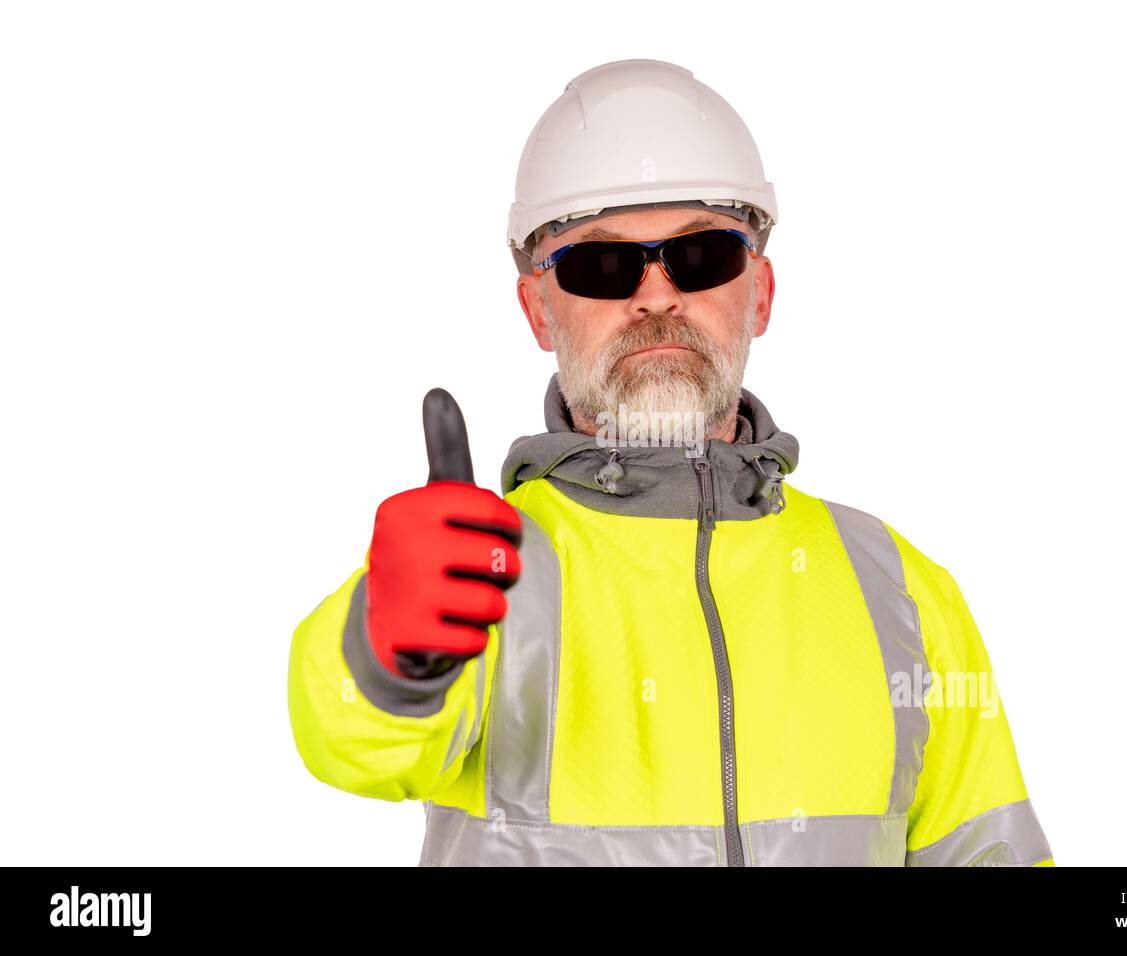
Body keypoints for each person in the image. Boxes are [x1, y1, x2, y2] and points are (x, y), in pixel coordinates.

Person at [287, 58, 1054, 867]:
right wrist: (385, 655)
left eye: (701, 256)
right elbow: (349, 741)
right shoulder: (475, 570)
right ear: (538, 311)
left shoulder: (897, 589)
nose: (656, 296)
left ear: (759, 292)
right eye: (601, 266)